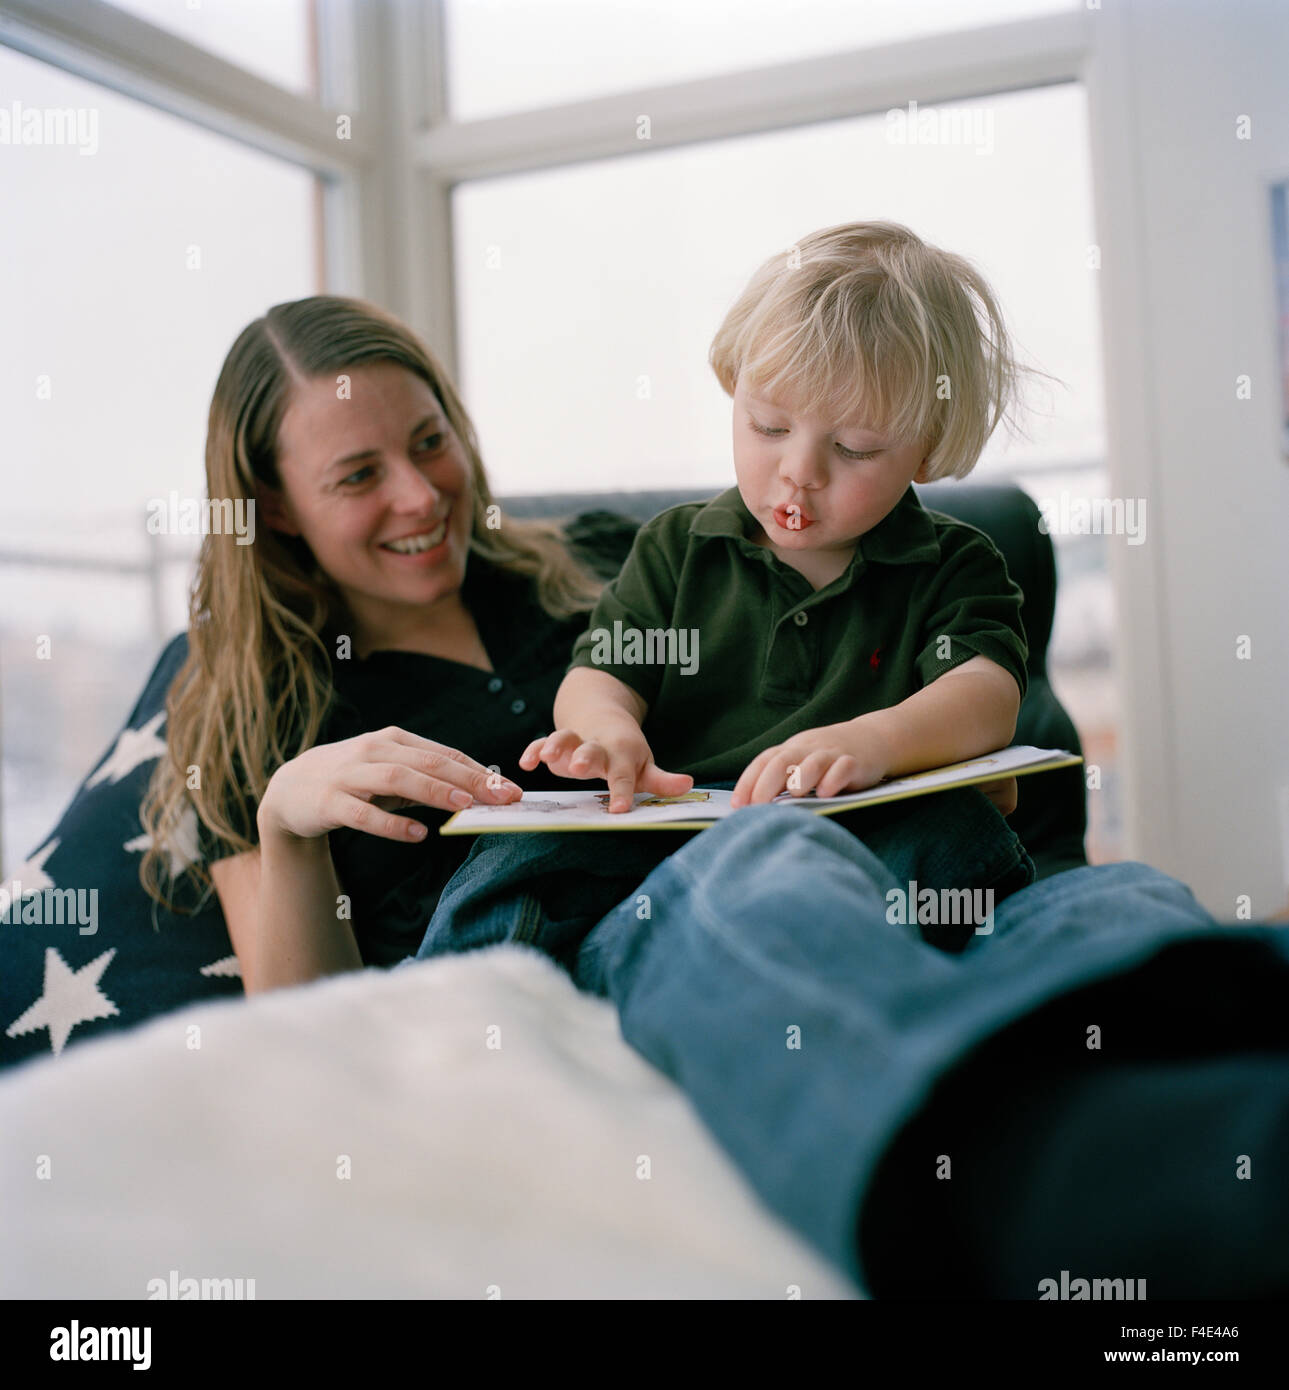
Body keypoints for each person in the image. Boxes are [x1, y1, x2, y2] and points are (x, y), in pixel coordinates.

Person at [139, 290, 1287, 1299]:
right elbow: (299, 1029)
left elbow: (855, 621)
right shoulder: (253, 708)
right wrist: (289, 815)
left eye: (429, 441)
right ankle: (1014, 1172)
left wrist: (913, 764)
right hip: (604, 933)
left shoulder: (595, 556)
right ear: (277, 506)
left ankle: (1227, 1095)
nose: (418, 494)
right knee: (756, 862)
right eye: (355, 475)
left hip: (858, 871)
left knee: (1112, 893)